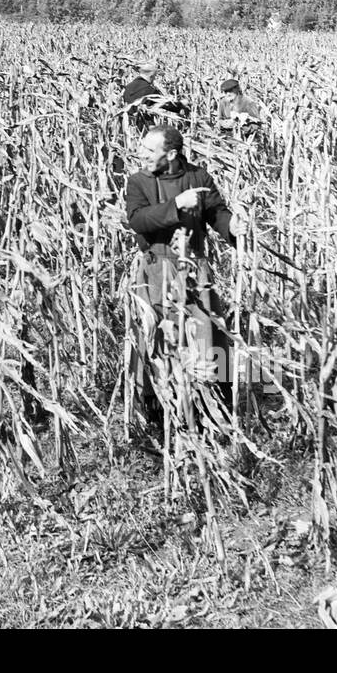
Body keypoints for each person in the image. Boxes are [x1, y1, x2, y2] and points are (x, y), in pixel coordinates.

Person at [124, 124, 249, 414]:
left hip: (196, 267)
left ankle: (215, 405)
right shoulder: (138, 182)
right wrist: (177, 204)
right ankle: (158, 407)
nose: (141, 153)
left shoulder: (198, 176)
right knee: (160, 337)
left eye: (149, 150)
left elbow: (216, 213)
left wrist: (232, 226)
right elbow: (138, 220)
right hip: (158, 269)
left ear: (171, 154)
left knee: (211, 332)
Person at [122, 59, 188, 133]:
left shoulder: (128, 87)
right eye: (154, 76)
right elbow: (165, 105)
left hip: (127, 126)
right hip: (143, 126)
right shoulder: (150, 90)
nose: (154, 79)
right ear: (151, 76)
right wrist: (181, 104)